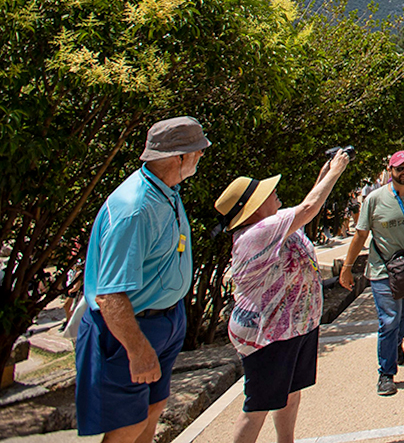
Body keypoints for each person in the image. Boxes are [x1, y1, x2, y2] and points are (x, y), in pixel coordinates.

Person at [75, 116, 210, 443]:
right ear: (179, 157)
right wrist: (137, 349)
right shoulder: (134, 208)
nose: (202, 156)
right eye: (198, 150)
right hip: (131, 327)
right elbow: (111, 296)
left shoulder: (167, 190)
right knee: (128, 425)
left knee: (153, 408)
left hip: (164, 318)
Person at [215, 151, 349, 443]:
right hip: (268, 332)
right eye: (267, 193)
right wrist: (336, 171)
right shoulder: (257, 233)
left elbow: (305, 209)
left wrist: (324, 173)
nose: (275, 193)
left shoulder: (273, 224)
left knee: (289, 392)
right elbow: (309, 208)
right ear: (252, 208)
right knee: (258, 404)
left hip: (293, 327)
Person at [339, 151, 404, 396]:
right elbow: (361, 234)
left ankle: (395, 342)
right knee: (389, 320)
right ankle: (386, 373)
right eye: (400, 168)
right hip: (383, 268)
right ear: (390, 169)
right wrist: (346, 267)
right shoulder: (374, 199)